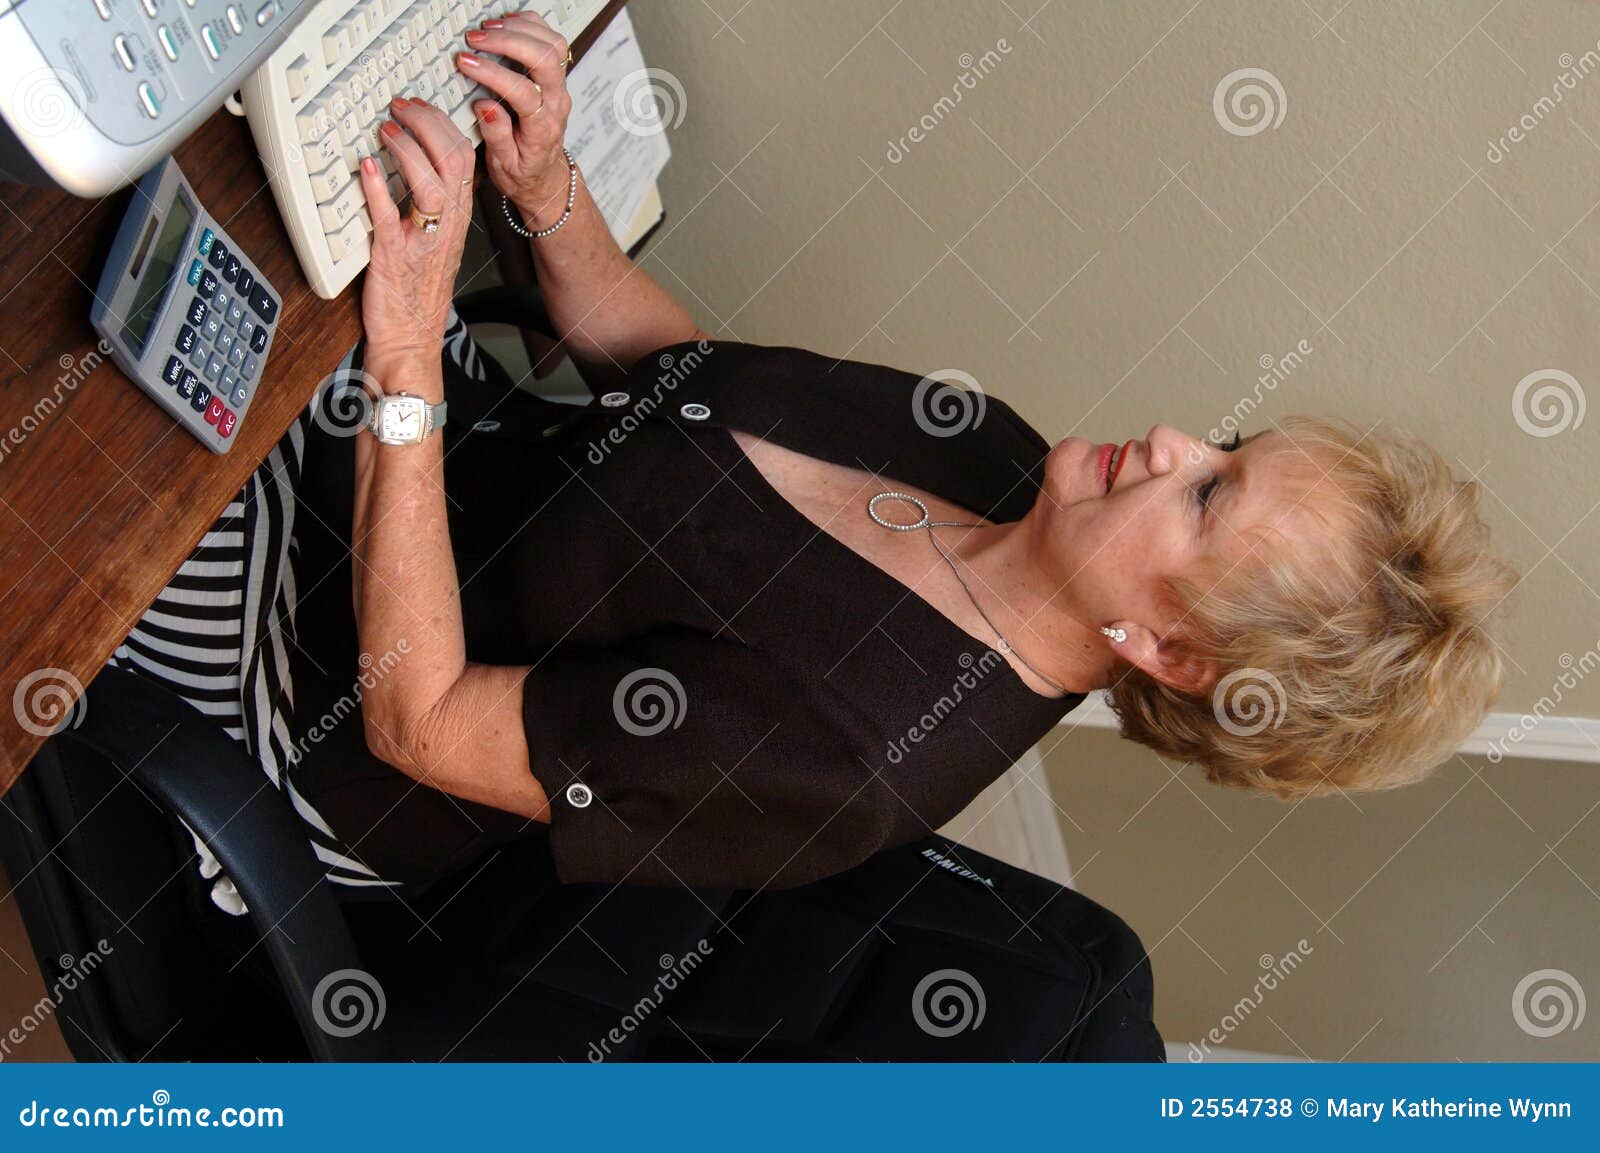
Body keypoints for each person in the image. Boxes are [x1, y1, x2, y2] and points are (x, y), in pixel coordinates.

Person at [204, 12, 1524, 895]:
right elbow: (686, 384)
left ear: (1171, 653)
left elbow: (417, 717)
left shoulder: (846, 760)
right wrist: (547, 186)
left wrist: (407, 354)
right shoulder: (1007, 463)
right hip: (406, 438)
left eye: (1207, 494)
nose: (1176, 438)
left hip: (296, 675)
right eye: (1227, 445)